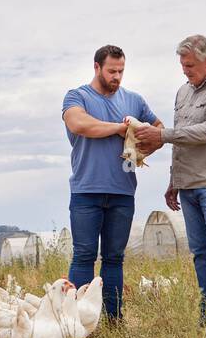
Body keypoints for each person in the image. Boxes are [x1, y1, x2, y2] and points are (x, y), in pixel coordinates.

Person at [132, 35, 206, 325]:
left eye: (191, 65)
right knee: (201, 252)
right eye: (183, 65)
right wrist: (175, 180)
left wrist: (162, 135)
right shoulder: (183, 93)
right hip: (189, 184)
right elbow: (184, 138)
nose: (185, 70)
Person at [61, 45, 164, 323]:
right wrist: (120, 128)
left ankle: (113, 319)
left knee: (114, 258)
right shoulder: (77, 96)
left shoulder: (134, 100)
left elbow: (159, 130)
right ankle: (78, 321)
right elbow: (80, 125)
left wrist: (141, 150)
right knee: (83, 255)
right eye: (111, 71)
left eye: (121, 71)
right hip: (86, 190)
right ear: (97, 67)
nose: (117, 76)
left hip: (122, 192)